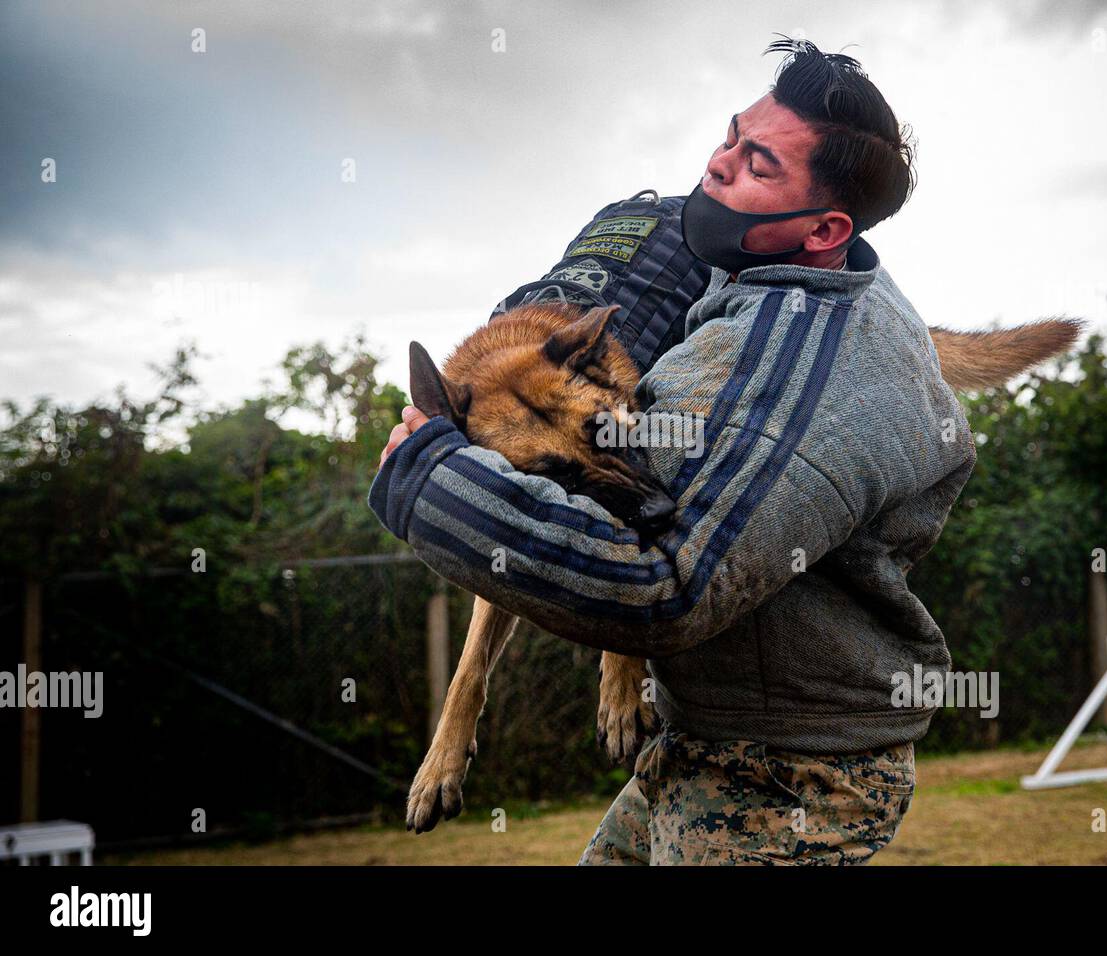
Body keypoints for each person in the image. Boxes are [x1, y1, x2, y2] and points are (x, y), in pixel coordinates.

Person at [370, 36, 977, 865]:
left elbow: (660, 586)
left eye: (756, 164)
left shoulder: (779, 361)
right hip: (699, 738)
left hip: (794, 773)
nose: (718, 166)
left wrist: (430, 483)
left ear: (825, 225)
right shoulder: (753, 274)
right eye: (731, 138)